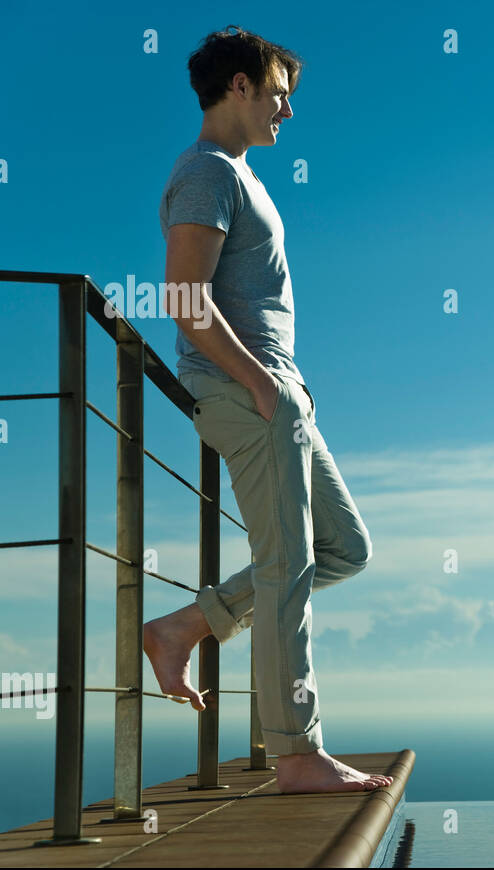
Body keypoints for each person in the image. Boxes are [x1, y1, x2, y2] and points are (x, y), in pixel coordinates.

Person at [143, 25, 390, 794]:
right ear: (240, 85)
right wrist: (260, 384)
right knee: (287, 562)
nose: (288, 110)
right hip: (245, 391)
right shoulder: (206, 172)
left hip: (276, 393)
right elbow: (185, 300)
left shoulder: (238, 176)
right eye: (280, 93)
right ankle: (296, 753)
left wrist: (284, 386)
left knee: (343, 547)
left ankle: (184, 626)